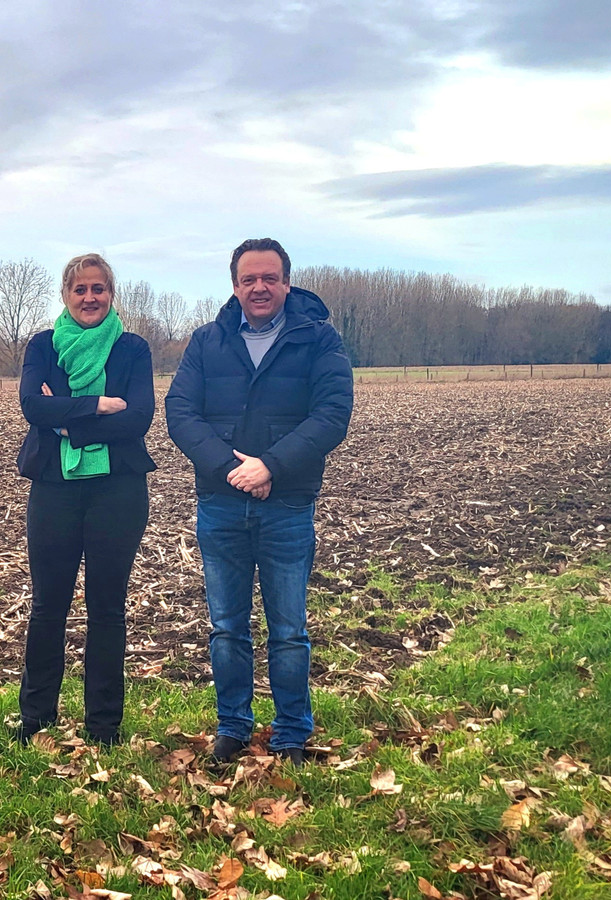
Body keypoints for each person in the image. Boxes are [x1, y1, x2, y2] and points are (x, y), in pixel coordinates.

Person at [165, 238, 353, 766]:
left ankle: (291, 733)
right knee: (227, 627)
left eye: (270, 278)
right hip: (221, 504)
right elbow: (180, 411)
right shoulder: (208, 341)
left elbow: (332, 414)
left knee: (288, 631)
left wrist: (270, 465)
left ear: (287, 283)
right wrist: (234, 470)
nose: (259, 287)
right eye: (249, 279)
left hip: (288, 506)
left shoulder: (319, 340)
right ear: (235, 286)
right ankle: (232, 727)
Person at [15, 253, 156, 746]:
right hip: (53, 488)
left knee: (107, 609)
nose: (90, 297)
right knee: (48, 606)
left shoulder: (132, 348)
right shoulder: (43, 346)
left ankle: (104, 726)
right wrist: (97, 405)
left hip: (118, 490)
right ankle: (36, 719)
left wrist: (65, 420)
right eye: (80, 289)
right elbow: (32, 405)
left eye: (98, 288)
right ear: (66, 295)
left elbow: (138, 418)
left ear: (111, 294)